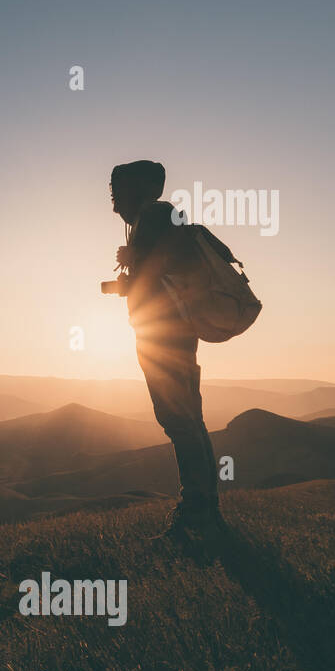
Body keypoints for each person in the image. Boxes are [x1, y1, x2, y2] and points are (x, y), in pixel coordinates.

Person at [110, 160, 228, 541]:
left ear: (138, 188)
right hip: (174, 330)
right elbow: (164, 274)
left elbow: (158, 272)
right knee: (188, 418)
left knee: (179, 420)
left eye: (117, 187)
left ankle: (196, 514)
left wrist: (133, 267)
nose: (112, 195)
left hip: (164, 335)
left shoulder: (156, 215)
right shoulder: (161, 217)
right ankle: (204, 509)